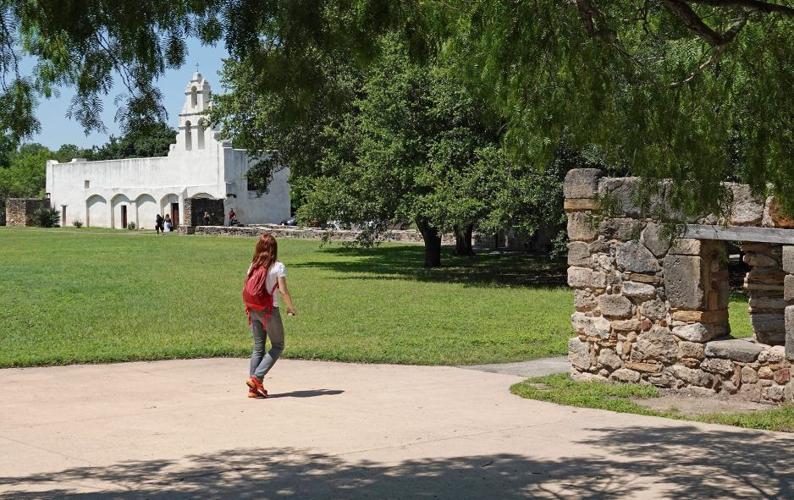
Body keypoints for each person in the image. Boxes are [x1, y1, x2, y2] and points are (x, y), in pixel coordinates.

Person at [243, 233, 297, 399]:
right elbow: (282, 290)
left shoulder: (253, 264)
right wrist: (290, 307)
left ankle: (253, 388)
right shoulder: (278, 266)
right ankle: (256, 378)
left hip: (253, 308)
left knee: (258, 347)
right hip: (269, 310)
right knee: (278, 345)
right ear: (274, 249)